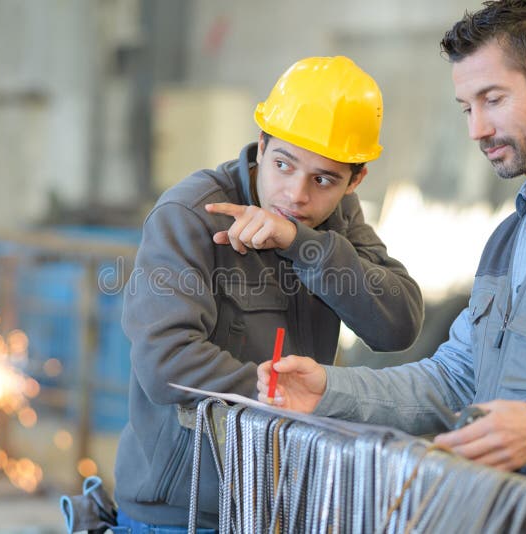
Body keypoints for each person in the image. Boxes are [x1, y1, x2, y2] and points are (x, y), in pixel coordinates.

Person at [257, 1, 526, 529]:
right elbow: (455, 378)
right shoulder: (508, 239)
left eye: (493, 99)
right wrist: (329, 390)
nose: (477, 129)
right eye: (467, 108)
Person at [114, 56, 424, 530]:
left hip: (287, 502)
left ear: (354, 180)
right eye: (283, 164)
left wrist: (301, 243)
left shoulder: (336, 217)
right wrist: (284, 400)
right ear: (261, 145)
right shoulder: (191, 214)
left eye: (323, 179)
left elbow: (397, 323)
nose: (296, 194)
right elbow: (165, 363)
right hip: (188, 511)